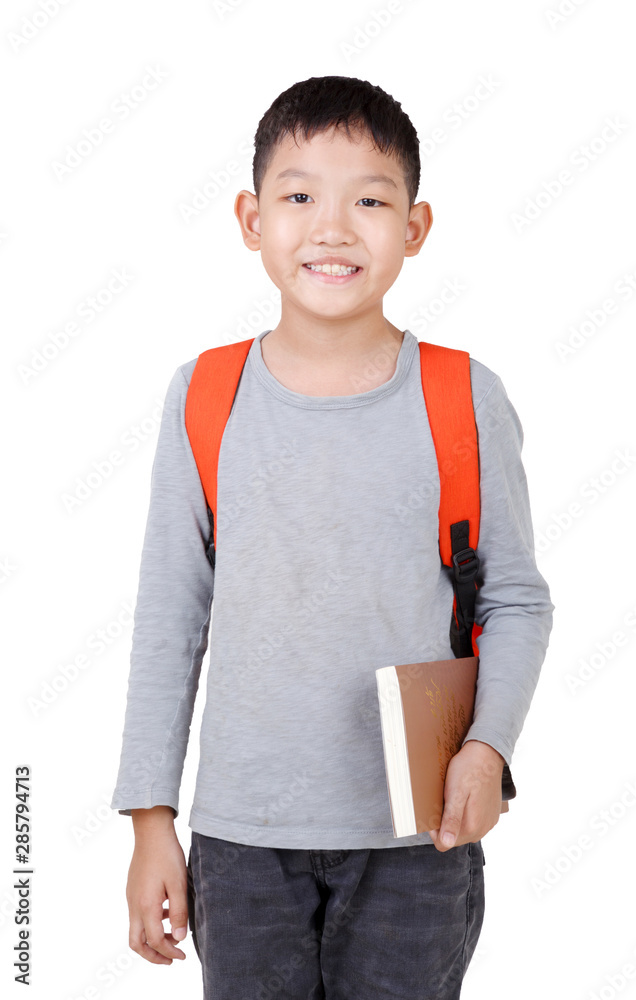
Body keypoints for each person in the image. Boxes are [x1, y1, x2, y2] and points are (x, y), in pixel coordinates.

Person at [111, 75, 554, 999]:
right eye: (300, 195)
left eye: (370, 199)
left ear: (416, 227)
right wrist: (151, 818)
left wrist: (489, 748)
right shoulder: (204, 395)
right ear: (250, 217)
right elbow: (169, 612)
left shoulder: (462, 394)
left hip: (418, 838)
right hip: (240, 843)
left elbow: (514, 594)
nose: (333, 226)